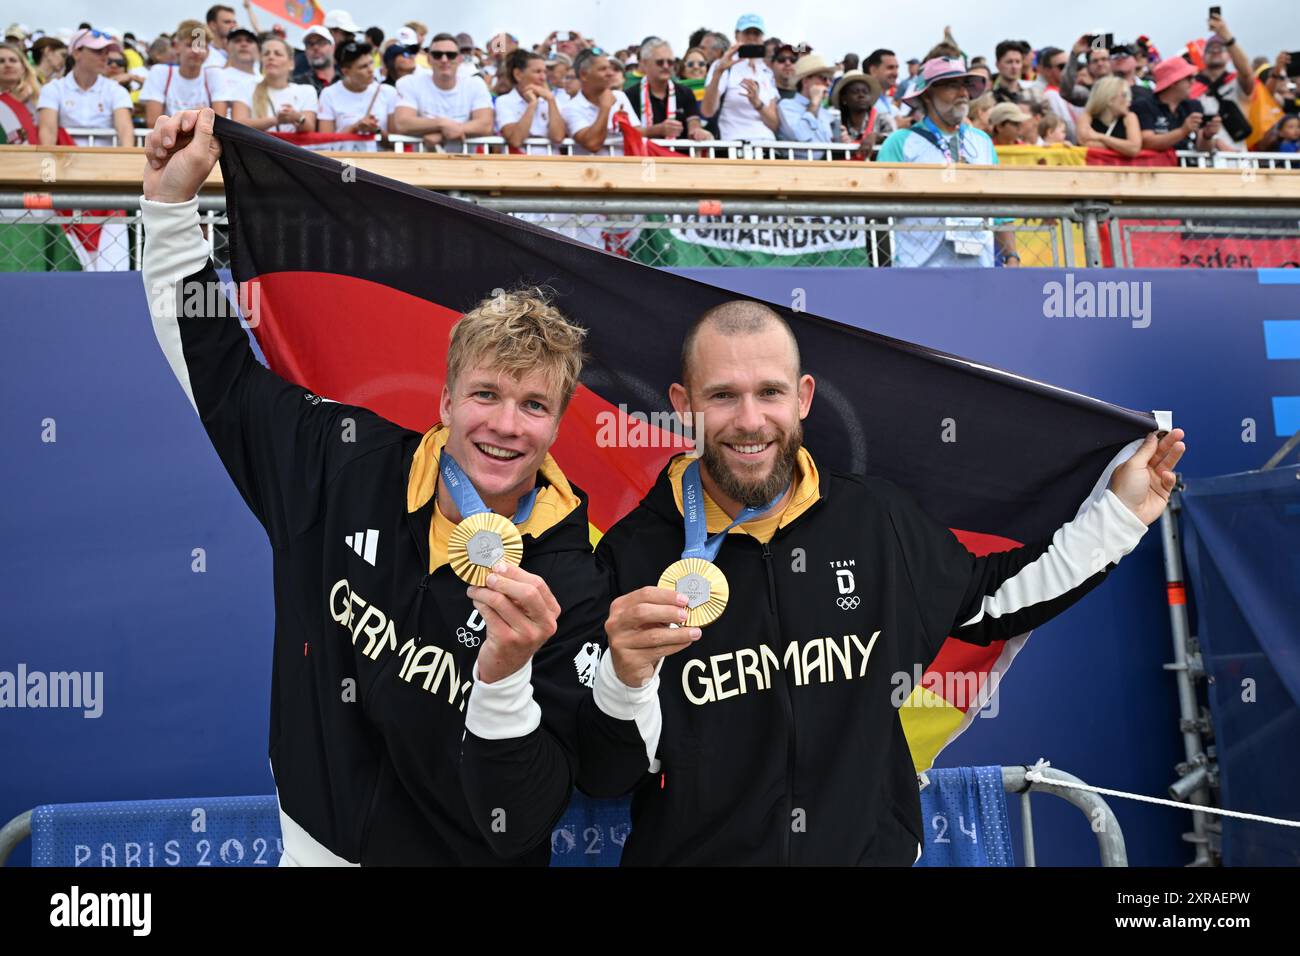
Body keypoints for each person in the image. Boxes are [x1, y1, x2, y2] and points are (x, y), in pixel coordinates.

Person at [140, 107, 612, 865]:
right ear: (446, 401)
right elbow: (214, 367)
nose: (506, 425)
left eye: (534, 406)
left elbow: (527, 815)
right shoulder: (344, 461)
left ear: (557, 426)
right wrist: (169, 211)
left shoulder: (576, 574)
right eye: (486, 394)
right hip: (313, 847)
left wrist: (502, 681)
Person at [566, 300, 1185, 865]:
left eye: (770, 392)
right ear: (682, 404)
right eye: (723, 396)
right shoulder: (630, 555)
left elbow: (995, 600)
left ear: (803, 397)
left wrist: (1121, 516)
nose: (749, 420)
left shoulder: (876, 520)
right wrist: (625, 680)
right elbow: (606, 772)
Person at [876, 57, 1020, 268]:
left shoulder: (982, 141)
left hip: (979, 268)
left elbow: (999, 208)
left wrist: (1011, 256)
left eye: (965, 86)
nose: (963, 93)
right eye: (952, 86)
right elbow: (878, 211)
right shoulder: (899, 142)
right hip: (917, 272)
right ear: (927, 95)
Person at [392, 32, 493, 153]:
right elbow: (402, 123)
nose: (444, 60)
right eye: (437, 55)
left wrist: (444, 134)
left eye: (451, 55)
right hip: (420, 166)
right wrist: (442, 124)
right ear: (429, 58)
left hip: (467, 165)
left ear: (459, 59)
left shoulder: (475, 84)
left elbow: (486, 124)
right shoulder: (409, 83)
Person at [37, 28, 133, 147]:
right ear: (76, 53)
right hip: (65, 163)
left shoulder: (116, 90)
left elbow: (125, 131)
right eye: (97, 51)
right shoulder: (53, 89)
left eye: (106, 52)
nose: (105, 57)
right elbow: (48, 134)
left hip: (105, 163)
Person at [700, 14, 780, 141]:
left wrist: (757, 102)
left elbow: (774, 124)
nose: (752, 38)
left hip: (767, 146)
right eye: (747, 33)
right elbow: (707, 111)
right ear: (737, 35)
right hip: (735, 145)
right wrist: (718, 72)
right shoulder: (723, 66)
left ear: (762, 38)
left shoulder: (766, 72)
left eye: (756, 33)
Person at [625, 38, 710, 143]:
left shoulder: (685, 92)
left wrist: (696, 131)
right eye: (660, 62)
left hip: (678, 157)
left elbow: (693, 121)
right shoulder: (630, 95)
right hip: (644, 157)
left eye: (670, 62)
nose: (666, 66)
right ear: (644, 63)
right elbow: (626, 132)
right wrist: (656, 130)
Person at [1133, 57, 1219, 153]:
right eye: (1189, 78)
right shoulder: (1144, 105)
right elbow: (1146, 142)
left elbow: (1203, 149)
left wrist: (1207, 136)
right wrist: (1183, 131)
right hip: (1159, 167)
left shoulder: (1194, 106)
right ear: (1174, 82)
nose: (1193, 82)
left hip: (1190, 167)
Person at [231, 36, 317, 132]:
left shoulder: (307, 91)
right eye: (266, 54)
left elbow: (310, 129)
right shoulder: (245, 86)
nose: (271, 57)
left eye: (278, 54)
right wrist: (276, 120)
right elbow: (237, 124)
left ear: (291, 64)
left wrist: (297, 117)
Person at [318, 41, 397, 143]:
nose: (371, 70)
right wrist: (355, 128)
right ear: (346, 72)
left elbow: (397, 142)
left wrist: (376, 130)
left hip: (379, 157)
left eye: (371, 63)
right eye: (363, 66)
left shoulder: (388, 92)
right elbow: (325, 143)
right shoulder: (328, 94)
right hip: (343, 158)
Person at [561, 49, 637, 156]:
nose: (610, 73)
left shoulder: (619, 96)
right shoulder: (570, 108)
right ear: (583, 75)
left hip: (623, 170)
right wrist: (605, 108)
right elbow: (593, 144)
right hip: (590, 171)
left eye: (610, 68)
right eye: (603, 69)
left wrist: (658, 129)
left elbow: (637, 132)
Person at [141, 21, 214, 127]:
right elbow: (153, 122)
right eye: (190, 45)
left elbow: (218, 122)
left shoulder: (214, 75)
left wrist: (177, 121)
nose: (196, 51)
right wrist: (196, 115)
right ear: (177, 47)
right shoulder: (159, 72)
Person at [494, 48, 566, 153]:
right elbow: (516, 140)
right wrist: (532, 104)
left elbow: (558, 137)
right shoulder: (504, 101)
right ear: (518, 74)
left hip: (552, 165)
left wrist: (551, 101)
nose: (543, 77)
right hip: (520, 166)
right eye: (537, 72)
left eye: (544, 72)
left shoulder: (551, 99)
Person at [777, 54, 835, 155]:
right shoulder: (786, 105)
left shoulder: (826, 113)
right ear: (806, 81)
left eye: (830, 79)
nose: (828, 84)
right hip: (798, 168)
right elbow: (801, 136)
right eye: (824, 78)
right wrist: (814, 104)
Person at [1077, 75, 1141, 158]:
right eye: (1124, 95)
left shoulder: (1130, 117)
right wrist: (1122, 148)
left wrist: (1099, 137)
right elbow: (1084, 142)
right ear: (1110, 99)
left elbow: (1134, 148)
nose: (1129, 99)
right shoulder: (1087, 116)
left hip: (1122, 169)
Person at [210, 27, 261, 118]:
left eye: (249, 41)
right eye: (237, 41)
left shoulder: (264, 82)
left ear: (258, 50)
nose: (244, 44)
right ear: (227, 47)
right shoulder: (215, 76)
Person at [831, 69, 885, 156]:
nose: (861, 95)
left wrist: (875, 137)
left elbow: (894, 138)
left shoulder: (882, 118)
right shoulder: (837, 122)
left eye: (865, 92)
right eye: (855, 92)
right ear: (844, 98)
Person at [1035, 47, 1078, 143]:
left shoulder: (1076, 92)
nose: (1068, 69)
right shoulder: (1050, 95)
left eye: (1069, 65)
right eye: (1062, 66)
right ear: (1047, 70)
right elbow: (1067, 127)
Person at [864, 48, 911, 131]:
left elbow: (900, 121)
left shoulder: (885, 101)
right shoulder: (864, 101)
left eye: (896, 68)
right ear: (873, 70)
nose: (895, 73)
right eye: (890, 68)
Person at [292, 25, 337, 94]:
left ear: (333, 48)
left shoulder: (347, 82)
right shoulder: (296, 85)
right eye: (310, 44)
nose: (315, 47)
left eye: (321, 42)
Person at [203, 5, 237, 70]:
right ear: (213, 25)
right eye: (227, 22)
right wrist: (232, 56)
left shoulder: (243, 51)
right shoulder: (204, 53)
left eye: (234, 22)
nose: (233, 26)